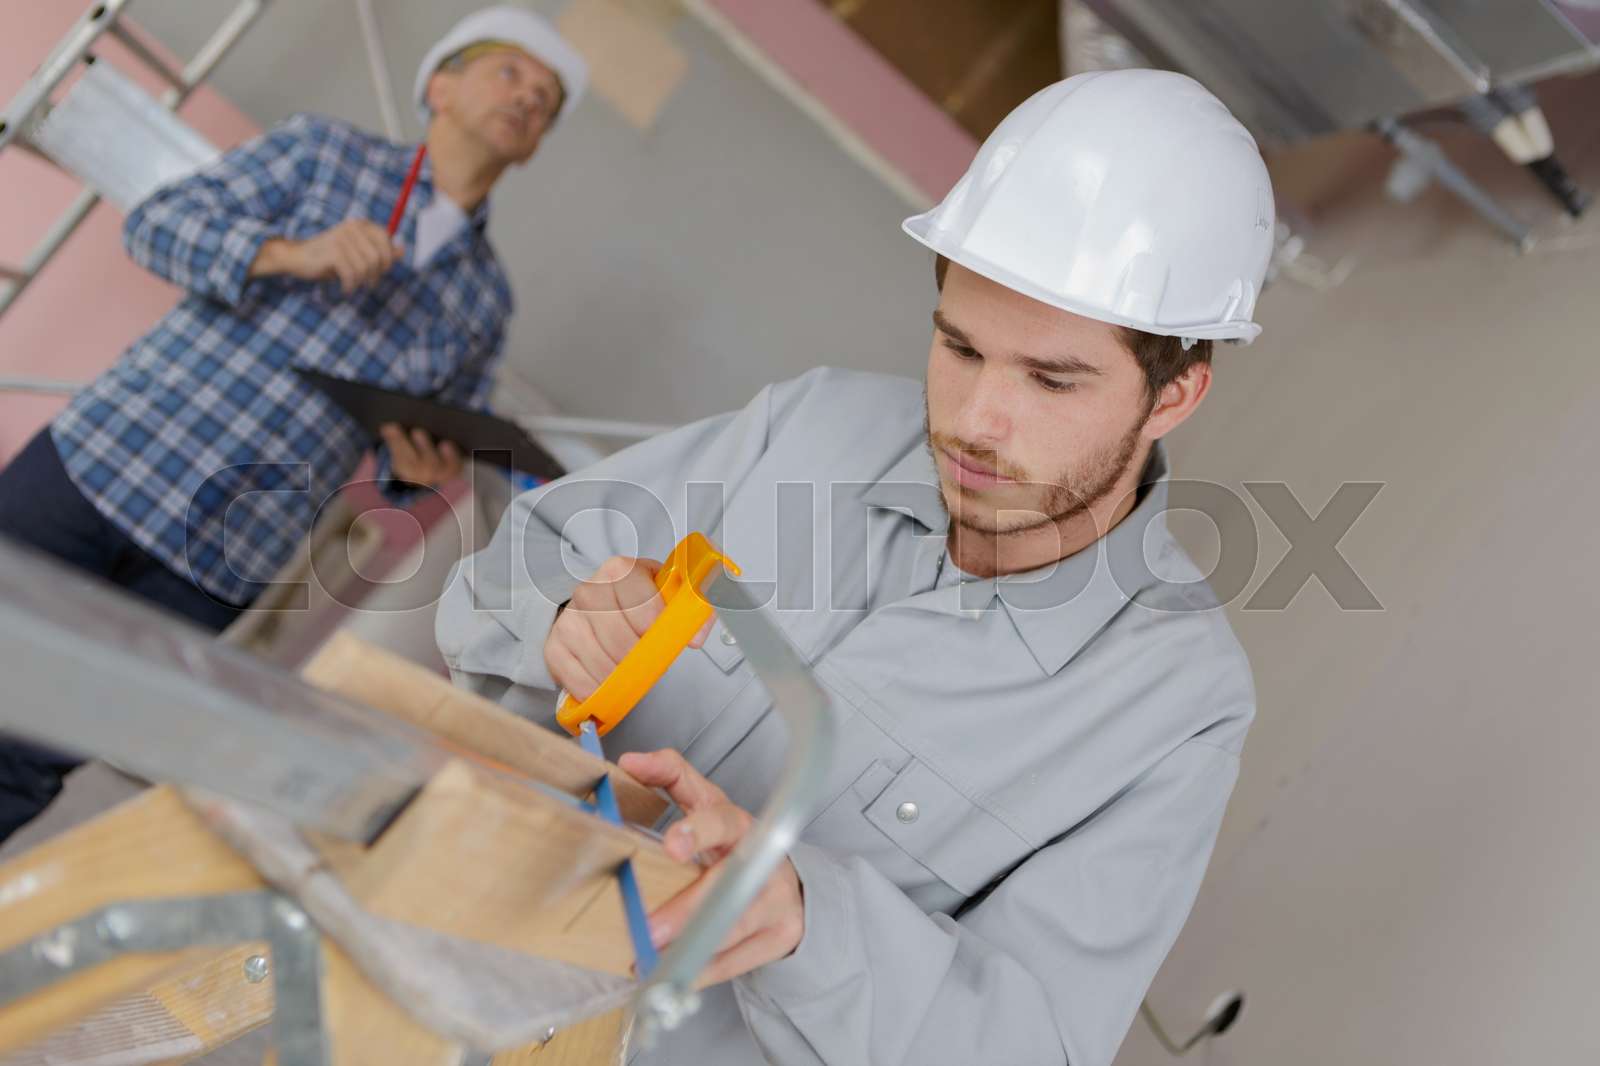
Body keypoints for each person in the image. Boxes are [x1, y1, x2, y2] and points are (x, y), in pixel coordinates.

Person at [436, 69, 1275, 1065]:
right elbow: (509, 567)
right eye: (958, 347)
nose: (974, 421)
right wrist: (560, 607)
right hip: (422, 962)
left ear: (1172, 397)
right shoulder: (813, 423)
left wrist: (806, 922)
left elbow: (1030, 1046)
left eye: (1051, 378)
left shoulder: (1175, 706)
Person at [0, 6, 588, 841]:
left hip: (221, 551)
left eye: (547, 100)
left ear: (536, 145)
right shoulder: (320, 153)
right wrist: (290, 252)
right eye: (512, 74)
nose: (528, 99)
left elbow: (414, 463)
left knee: (35, 751)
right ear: (442, 86)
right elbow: (156, 225)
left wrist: (414, 472)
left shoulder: (486, 302)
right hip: (104, 462)